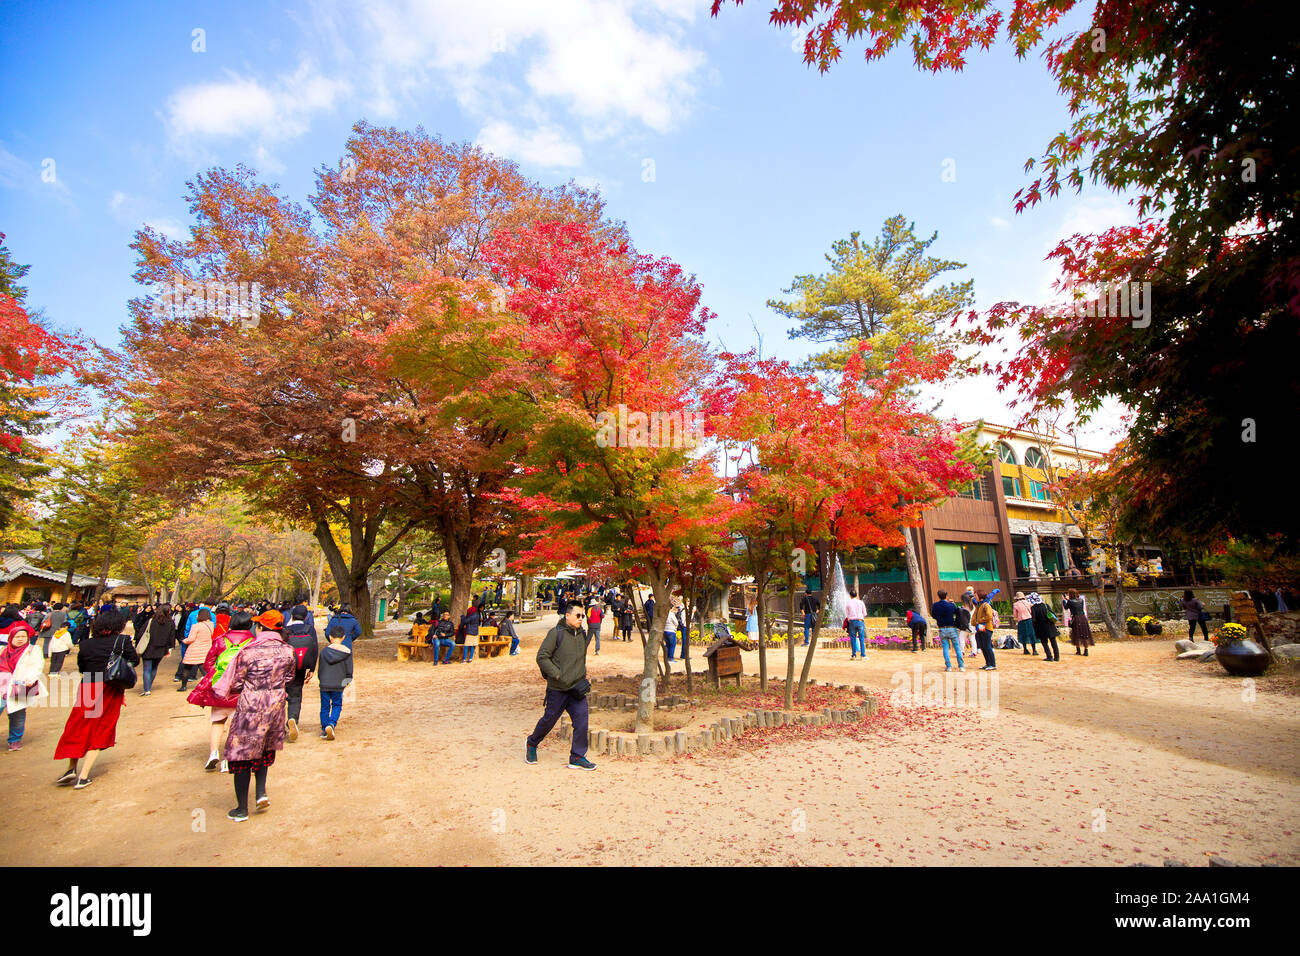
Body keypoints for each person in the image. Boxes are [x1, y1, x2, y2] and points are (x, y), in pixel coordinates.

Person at [213, 610, 297, 822]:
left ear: (260, 628)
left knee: (243, 753)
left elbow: (237, 682)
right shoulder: (288, 651)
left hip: (251, 707)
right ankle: (261, 792)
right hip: (276, 706)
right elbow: (289, 677)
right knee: (265, 749)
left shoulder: (248, 652)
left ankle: (241, 808)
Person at [53, 606, 139, 790]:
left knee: (80, 725)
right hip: (110, 687)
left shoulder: (86, 644)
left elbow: (82, 667)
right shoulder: (122, 641)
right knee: (101, 727)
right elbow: (135, 660)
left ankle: (71, 768)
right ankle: (84, 776)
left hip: (89, 685)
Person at [525, 600, 595, 770]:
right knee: (549, 720)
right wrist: (557, 674)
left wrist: (582, 677)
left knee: (582, 720)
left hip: (576, 689)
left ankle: (577, 756)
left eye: (582, 615)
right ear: (568, 615)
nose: (581, 618)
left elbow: (580, 660)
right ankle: (532, 743)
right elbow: (542, 657)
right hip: (558, 689)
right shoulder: (556, 633)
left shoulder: (582, 634)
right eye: (578, 615)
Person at [187, 611, 254, 772]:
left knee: (217, 721)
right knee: (235, 724)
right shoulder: (252, 643)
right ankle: (227, 757)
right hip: (241, 689)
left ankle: (213, 753)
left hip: (220, 688)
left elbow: (208, 663)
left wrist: (220, 677)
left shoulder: (220, 641)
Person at [1, 624, 45, 750]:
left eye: (23, 636)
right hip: (2, 685)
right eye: (17, 636)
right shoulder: (3, 650)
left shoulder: (33, 650)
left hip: (20, 685)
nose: (20, 639)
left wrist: (30, 679)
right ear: (11, 638)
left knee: (17, 713)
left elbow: (37, 666)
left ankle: (15, 740)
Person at [282, 606, 318, 742]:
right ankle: (292, 718)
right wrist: (312, 668)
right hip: (301, 667)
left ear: (292, 616)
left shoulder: (286, 630)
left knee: (281, 694)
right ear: (305, 617)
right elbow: (314, 649)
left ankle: (279, 726)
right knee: (296, 695)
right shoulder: (309, 629)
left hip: (285, 667)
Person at [316, 625, 353, 740]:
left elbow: (320, 668)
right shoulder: (347, 652)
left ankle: (324, 728)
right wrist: (347, 680)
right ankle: (332, 724)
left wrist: (321, 679)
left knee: (324, 706)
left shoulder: (323, 652)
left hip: (325, 683)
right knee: (337, 704)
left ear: (330, 637)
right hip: (339, 683)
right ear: (343, 637)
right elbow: (349, 669)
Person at [137, 604, 176, 695]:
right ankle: (148, 686)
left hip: (148, 647)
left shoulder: (151, 621)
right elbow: (172, 637)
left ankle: (147, 689)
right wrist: (170, 648)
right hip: (161, 648)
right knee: (154, 668)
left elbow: (141, 633)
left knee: (147, 669)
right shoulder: (170, 623)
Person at [178, 608, 214, 691]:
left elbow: (191, 639)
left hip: (194, 649)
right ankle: (210, 686)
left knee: (187, 668)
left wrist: (184, 640)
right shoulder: (211, 625)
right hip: (205, 649)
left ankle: (183, 686)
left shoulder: (196, 626)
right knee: (204, 670)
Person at [930, 590, 964, 672]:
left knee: (945, 648)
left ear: (938, 596)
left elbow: (933, 615)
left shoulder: (935, 605)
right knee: (957, 647)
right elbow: (957, 612)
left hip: (942, 628)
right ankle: (961, 666)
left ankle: (948, 666)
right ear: (946, 595)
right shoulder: (951, 605)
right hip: (951, 628)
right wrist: (953, 603)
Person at [1028, 593, 1060, 661]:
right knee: (1053, 642)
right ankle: (1057, 657)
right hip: (1050, 626)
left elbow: (1034, 619)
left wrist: (1034, 627)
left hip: (1041, 627)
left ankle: (1049, 656)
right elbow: (1053, 614)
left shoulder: (1034, 608)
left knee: (1044, 643)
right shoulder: (1046, 605)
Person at [971, 591, 997, 670]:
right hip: (980, 629)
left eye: (976, 595)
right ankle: (988, 663)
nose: (974, 597)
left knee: (987, 646)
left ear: (980, 596)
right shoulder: (979, 606)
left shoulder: (986, 605)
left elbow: (989, 616)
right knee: (983, 647)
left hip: (987, 628)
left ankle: (992, 664)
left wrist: (980, 621)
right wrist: (974, 622)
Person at [1064, 588, 1094, 656]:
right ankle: (1086, 650)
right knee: (1085, 633)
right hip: (1083, 617)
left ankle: (1078, 650)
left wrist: (1065, 600)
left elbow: (1066, 607)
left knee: (1076, 633)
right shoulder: (1081, 600)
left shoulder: (1070, 601)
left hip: (1076, 618)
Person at [845, 590, 869, 660]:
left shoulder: (848, 603)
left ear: (850, 596)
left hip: (852, 622)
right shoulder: (861, 602)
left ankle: (854, 655)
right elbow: (865, 614)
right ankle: (863, 655)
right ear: (856, 595)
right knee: (861, 638)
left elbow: (847, 614)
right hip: (860, 621)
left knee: (853, 638)